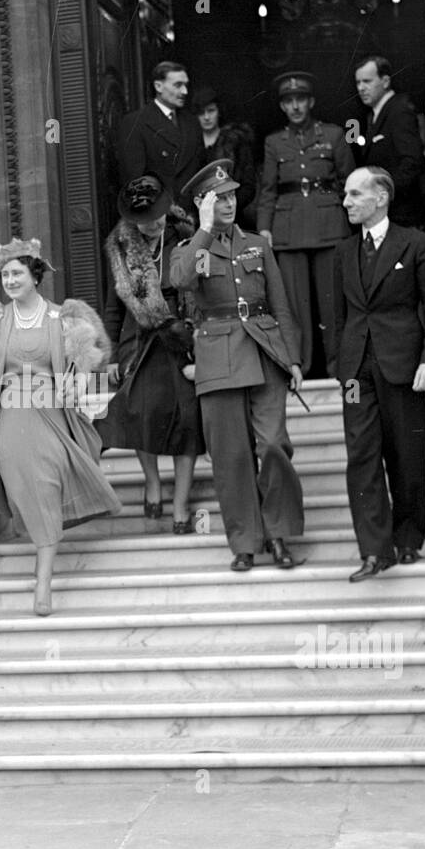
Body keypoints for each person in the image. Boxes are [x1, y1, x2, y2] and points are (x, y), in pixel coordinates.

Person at [0, 238, 122, 615]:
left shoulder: (64, 318)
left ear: (35, 276)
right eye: (4, 275)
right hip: (10, 418)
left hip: (53, 414)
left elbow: (85, 368)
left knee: (47, 486)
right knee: (26, 490)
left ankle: (43, 580)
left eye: (17, 272)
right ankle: (43, 565)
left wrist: (78, 384)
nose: (10, 280)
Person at [170, 159, 306, 573]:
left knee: (273, 446)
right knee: (230, 456)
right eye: (219, 198)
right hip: (217, 355)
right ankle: (245, 542)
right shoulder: (188, 249)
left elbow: (281, 304)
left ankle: (278, 534)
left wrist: (294, 358)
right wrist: (205, 228)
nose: (229, 203)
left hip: (265, 352)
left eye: (231, 195)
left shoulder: (257, 245)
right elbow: (180, 282)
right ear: (202, 203)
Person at [331, 167, 425, 582]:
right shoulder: (343, 252)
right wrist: (338, 366)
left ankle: (407, 539)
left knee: (407, 456)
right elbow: (338, 315)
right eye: (346, 195)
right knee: (360, 456)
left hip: (404, 365)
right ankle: (374, 550)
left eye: (354, 194)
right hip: (355, 371)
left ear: (380, 197)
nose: (346, 202)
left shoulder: (415, 244)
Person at [97, 175, 203, 533]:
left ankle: (180, 502)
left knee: (187, 419)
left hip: (183, 334)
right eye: (145, 220)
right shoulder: (121, 247)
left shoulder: (188, 236)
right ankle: (153, 481)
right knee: (142, 413)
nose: (154, 224)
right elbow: (114, 307)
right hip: (139, 339)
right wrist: (111, 356)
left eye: (158, 216)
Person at [255, 71, 356, 377]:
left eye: (301, 100)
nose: (296, 106)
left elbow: (348, 182)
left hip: (329, 226)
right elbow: (268, 189)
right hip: (288, 230)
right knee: (294, 306)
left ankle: (339, 367)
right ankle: (301, 367)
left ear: (310, 102)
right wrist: (264, 228)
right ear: (283, 107)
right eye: (289, 101)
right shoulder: (274, 142)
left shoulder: (335, 135)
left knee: (332, 303)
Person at [354, 56, 425, 231]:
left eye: (367, 81)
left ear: (385, 81)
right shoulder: (374, 116)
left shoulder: (399, 111)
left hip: (403, 216)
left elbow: (413, 162)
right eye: (358, 83)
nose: (361, 88)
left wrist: (382, 195)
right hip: (389, 216)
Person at [116, 61, 204, 202]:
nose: (184, 92)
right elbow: (134, 180)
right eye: (177, 85)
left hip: (192, 212)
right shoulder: (135, 123)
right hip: (157, 214)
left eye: (186, 85)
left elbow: (201, 170)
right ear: (158, 86)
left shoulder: (192, 122)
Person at [192, 85, 257, 223]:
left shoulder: (235, 141)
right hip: (199, 218)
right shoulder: (190, 144)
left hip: (232, 215)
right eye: (201, 112)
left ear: (219, 111)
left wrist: (228, 206)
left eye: (211, 111)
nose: (206, 117)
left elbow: (248, 184)